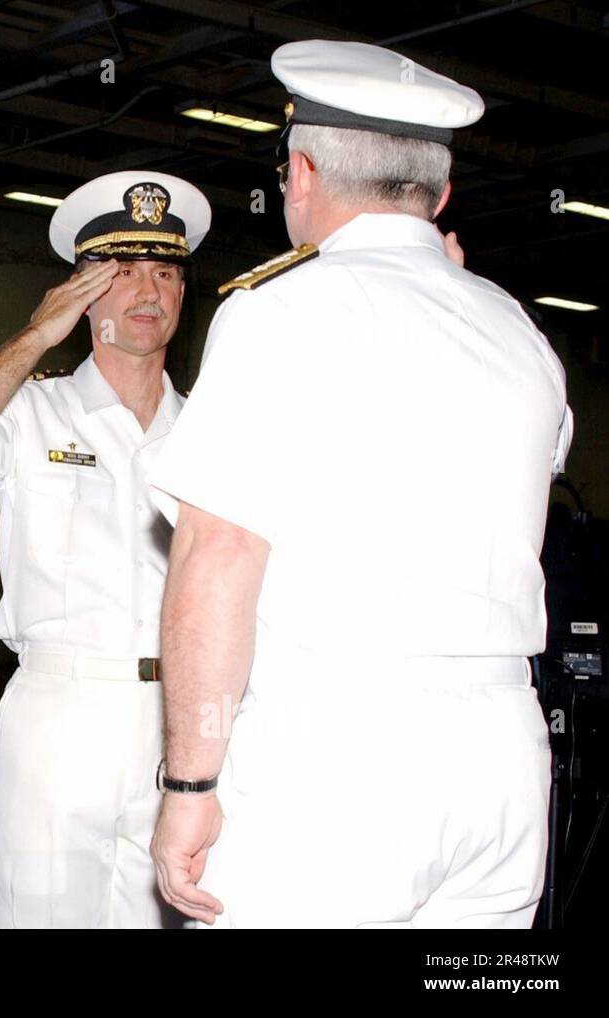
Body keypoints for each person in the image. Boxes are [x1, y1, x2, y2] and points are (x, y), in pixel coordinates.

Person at [147, 40, 574, 929]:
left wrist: (190, 781)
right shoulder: (521, 334)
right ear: (442, 192)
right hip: (503, 755)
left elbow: (218, 557)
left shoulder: (279, 314)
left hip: (340, 749)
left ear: (301, 170)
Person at [0, 170, 211, 927]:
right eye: (124, 272)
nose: (149, 291)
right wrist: (35, 336)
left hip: (187, 719)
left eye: (166, 272)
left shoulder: (211, 430)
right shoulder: (32, 411)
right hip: (62, 710)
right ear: (83, 292)